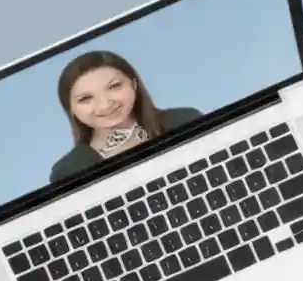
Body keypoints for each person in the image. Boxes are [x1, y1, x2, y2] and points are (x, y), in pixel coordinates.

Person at [49, 50, 202, 183]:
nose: (104, 105)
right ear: (70, 109)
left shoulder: (184, 120)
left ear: (134, 85)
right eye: (85, 99)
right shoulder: (67, 172)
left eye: (114, 86)